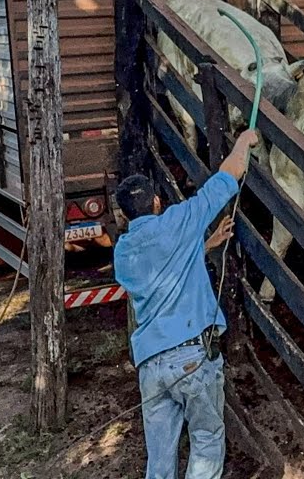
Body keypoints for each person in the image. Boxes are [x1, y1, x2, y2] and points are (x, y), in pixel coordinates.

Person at [114, 128, 259, 479]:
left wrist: (203, 245)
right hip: (192, 356)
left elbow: (157, 271)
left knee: (160, 456)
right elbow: (228, 175)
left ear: (124, 216)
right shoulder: (180, 221)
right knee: (206, 440)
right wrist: (243, 142)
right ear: (157, 203)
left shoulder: (123, 252)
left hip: (151, 365)